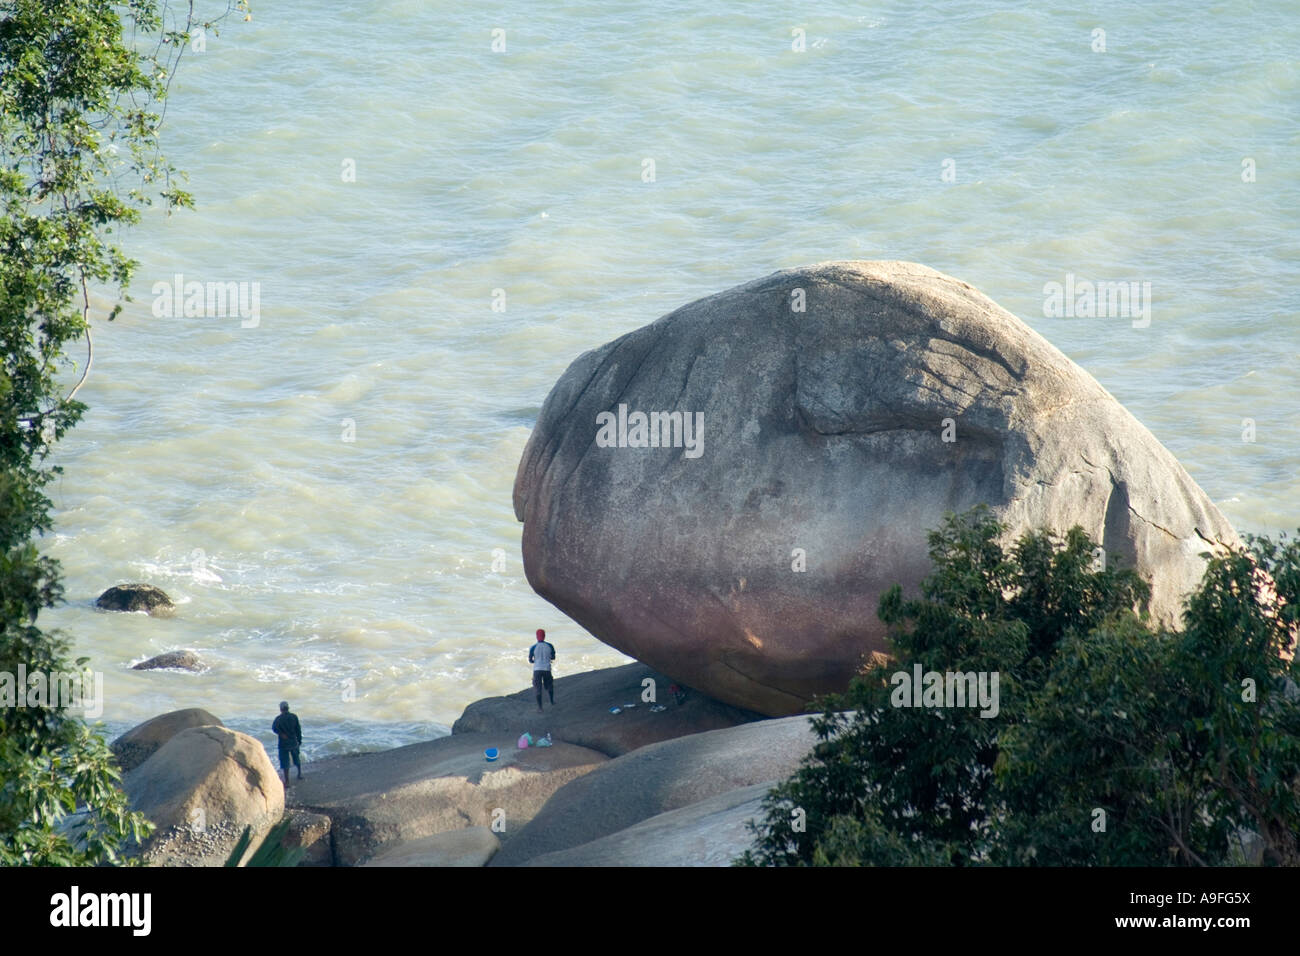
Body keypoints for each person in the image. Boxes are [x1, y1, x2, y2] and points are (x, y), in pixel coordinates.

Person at [272, 700, 303, 785]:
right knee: (296, 758)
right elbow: (298, 730)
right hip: (293, 741)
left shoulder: (278, 719)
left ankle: (287, 781)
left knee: (285, 762)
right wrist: (299, 740)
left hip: (283, 743)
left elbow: (274, 728)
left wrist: (281, 733)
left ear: (281, 709)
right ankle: (299, 774)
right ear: (288, 708)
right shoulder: (294, 717)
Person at [529, 628, 556, 713]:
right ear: (544, 636)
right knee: (549, 685)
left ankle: (540, 708)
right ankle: (552, 701)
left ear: (537, 637)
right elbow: (553, 657)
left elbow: (530, 660)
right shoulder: (550, 645)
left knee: (538, 688)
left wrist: (535, 661)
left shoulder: (533, 647)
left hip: (537, 669)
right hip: (547, 669)